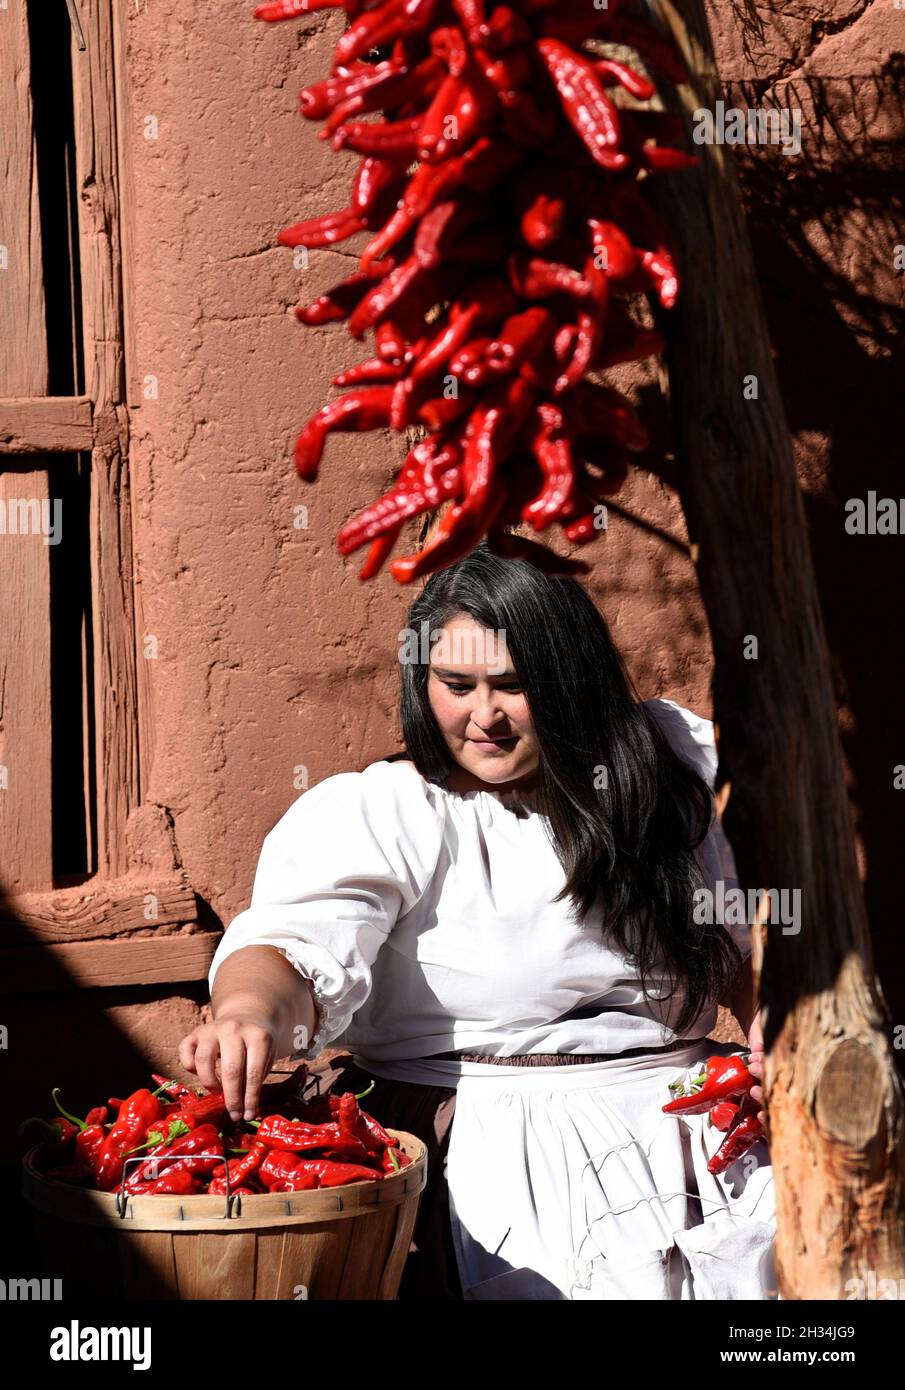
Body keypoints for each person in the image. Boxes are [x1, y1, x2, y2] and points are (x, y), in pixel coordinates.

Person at [179, 541, 776, 1300]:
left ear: (571, 680)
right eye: (455, 685)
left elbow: (754, 950)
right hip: (492, 1157)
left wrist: (780, 1040)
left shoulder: (669, 773)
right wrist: (245, 1015)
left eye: (513, 686)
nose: (482, 716)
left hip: (699, 1143)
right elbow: (290, 951)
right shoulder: (391, 812)